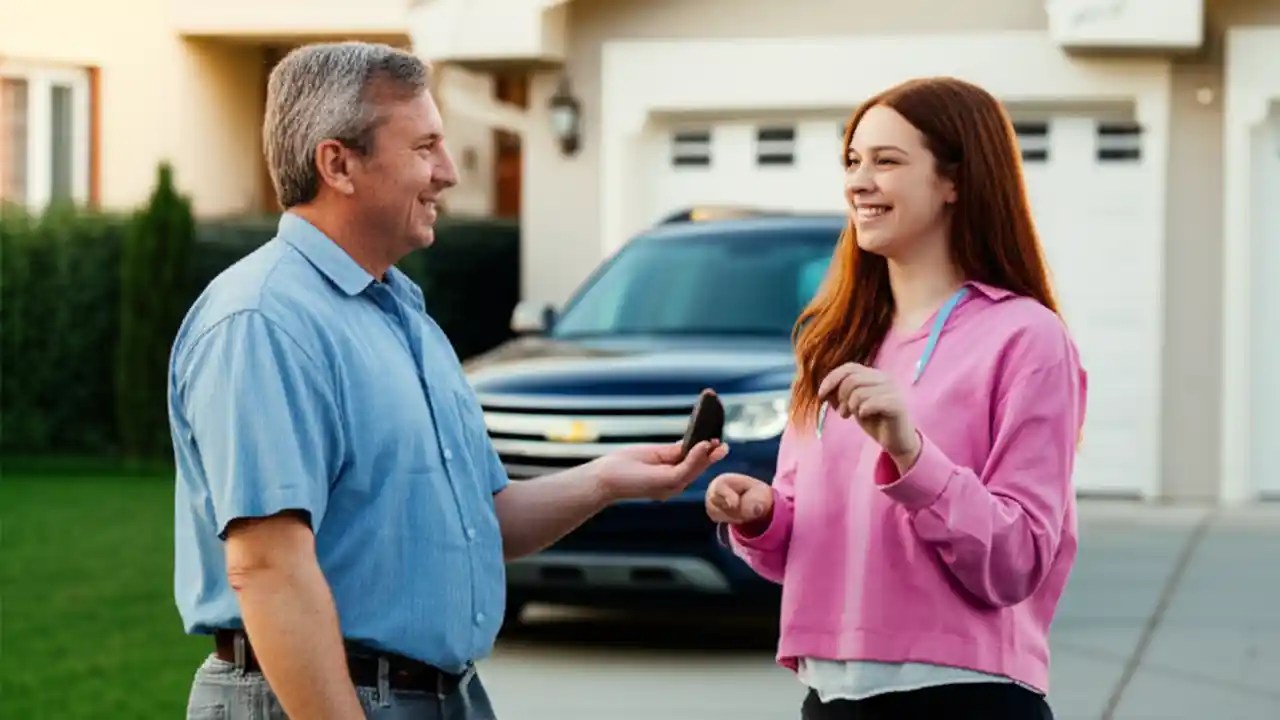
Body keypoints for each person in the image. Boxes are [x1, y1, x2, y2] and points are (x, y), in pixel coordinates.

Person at [168, 41, 728, 720]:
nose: (449, 172)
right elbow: (267, 567)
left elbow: (478, 523)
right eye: (425, 146)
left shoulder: (401, 315)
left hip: (437, 694)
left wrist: (607, 479)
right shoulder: (263, 321)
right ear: (338, 164)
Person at [705, 76, 1087, 720]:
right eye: (853, 161)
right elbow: (806, 539)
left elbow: (1018, 558)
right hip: (829, 695)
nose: (859, 181)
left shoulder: (1027, 337)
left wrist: (911, 454)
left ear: (955, 181)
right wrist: (762, 514)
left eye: (886, 161)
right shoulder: (834, 339)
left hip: (963, 697)